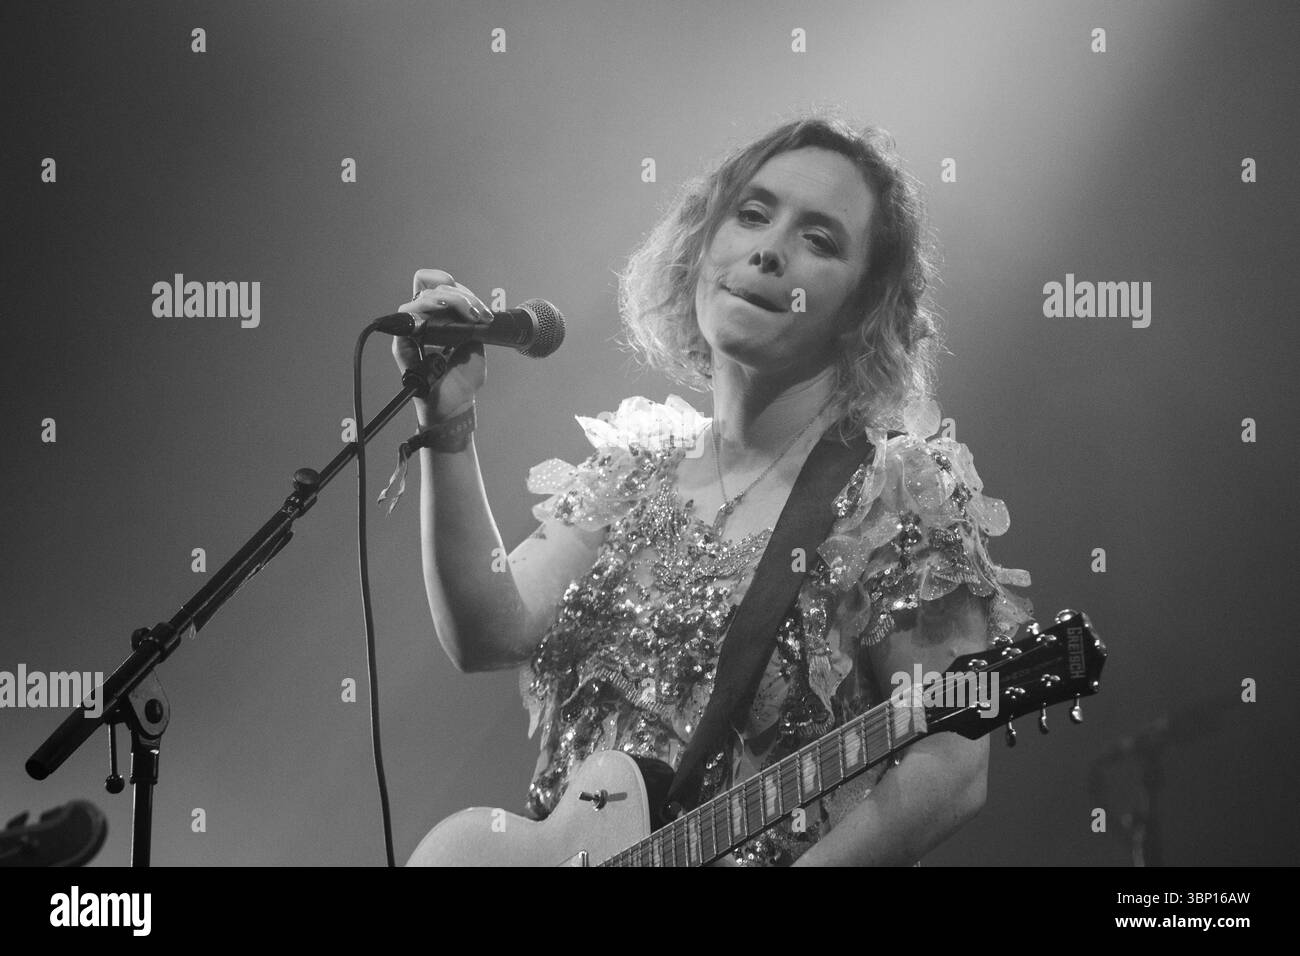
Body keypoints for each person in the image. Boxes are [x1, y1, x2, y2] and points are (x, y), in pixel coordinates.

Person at [390, 111, 1033, 866]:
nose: (768, 251)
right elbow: (487, 631)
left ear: (865, 307)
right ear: (700, 247)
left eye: (819, 240)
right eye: (752, 214)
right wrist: (449, 420)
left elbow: (950, 771)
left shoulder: (895, 493)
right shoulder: (632, 473)